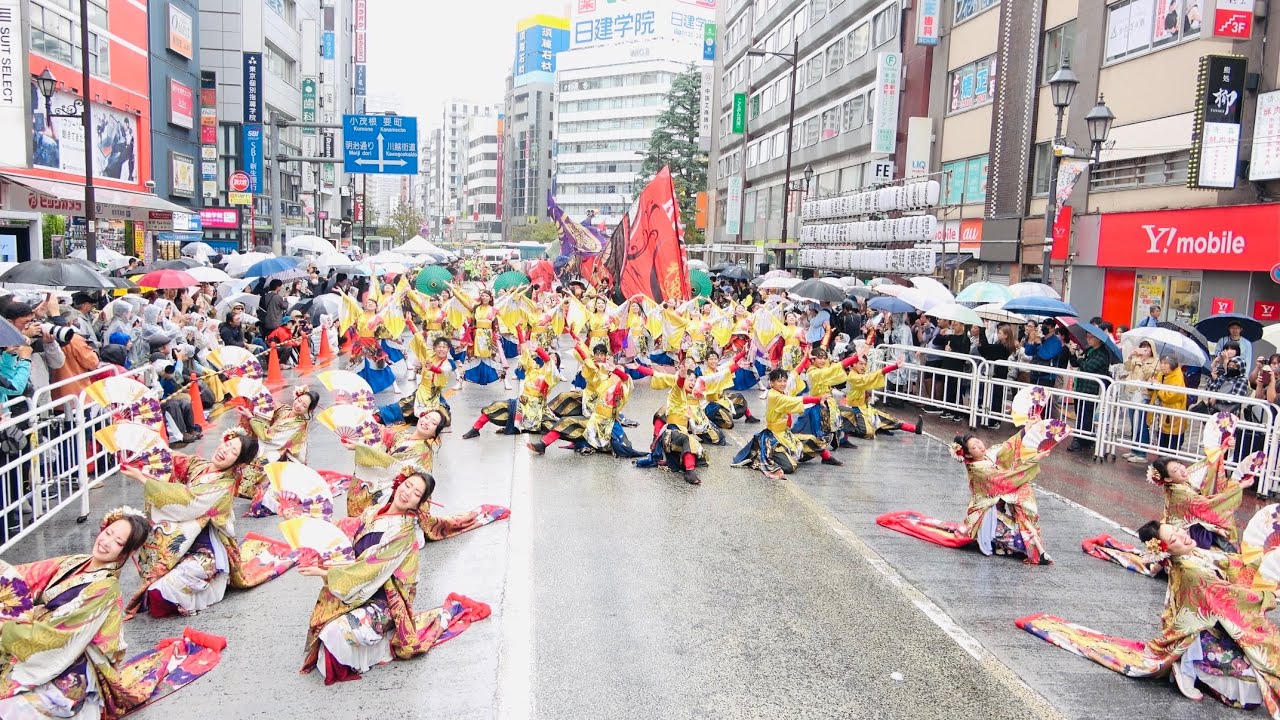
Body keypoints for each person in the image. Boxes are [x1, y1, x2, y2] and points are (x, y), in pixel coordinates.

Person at [1019, 520, 1280, 712]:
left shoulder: (1193, 554)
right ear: (1165, 550)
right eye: (1175, 539)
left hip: (1212, 624)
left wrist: (1262, 563)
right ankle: (1191, 669)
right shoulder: (1190, 569)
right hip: (1198, 634)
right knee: (1250, 691)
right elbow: (1231, 599)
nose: (1183, 537)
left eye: (1179, 531)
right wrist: (1268, 594)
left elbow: (1232, 564)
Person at [0, 508, 226, 719]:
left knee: (13, 708)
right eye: (108, 534)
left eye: (118, 542)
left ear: (125, 552)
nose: (106, 543)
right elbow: (25, 576)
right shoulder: (75, 562)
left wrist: (9, 627)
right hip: (36, 637)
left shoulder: (105, 588)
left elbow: (60, 636)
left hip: (70, 659)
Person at [298, 469, 491, 684]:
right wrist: (312, 522)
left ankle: (385, 641)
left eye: (417, 494)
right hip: (359, 584)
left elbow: (370, 568)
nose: (408, 493)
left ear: (420, 503)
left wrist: (324, 572)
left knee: (335, 633)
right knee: (325, 628)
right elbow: (347, 529)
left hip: (384, 596)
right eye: (408, 485)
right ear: (399, 483)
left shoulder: (404, 532)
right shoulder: (375, 510)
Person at [120, 428, 298, 617]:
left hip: (205, 548)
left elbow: (188, 501)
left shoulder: (223, 485)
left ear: (237, 463)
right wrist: (146, 451)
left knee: (162, 592)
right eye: (227, 445)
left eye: (233, 452)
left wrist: (143, 479)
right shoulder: (200, 465)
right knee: (157, 592)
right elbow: (172, 459)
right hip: (182, 537)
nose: (225, 450)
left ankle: (207, 587)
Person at [731, 368, 840, 480]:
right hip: (773, 438)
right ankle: (761, 456)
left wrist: (806, 359)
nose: (783, 384)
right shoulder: (774, 396)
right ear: (771, 383)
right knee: (790, 467)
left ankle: (825, 457)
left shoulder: (783, 391)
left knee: (815, 443)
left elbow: (794, 374)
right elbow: (795, 400)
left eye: (784, 381)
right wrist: (817, 399)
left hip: (786, 434)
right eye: (779, 381)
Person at [341, 409, 450, 517]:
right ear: (420, 417)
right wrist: (361, 424)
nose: (427, 422)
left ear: (436, 432)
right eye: (426, 417)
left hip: (396, 490)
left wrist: (360, 448)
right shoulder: (405, 435)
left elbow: (393, 465)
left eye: (433, 423)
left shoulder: (422, 452)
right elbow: (384, 433)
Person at [1065, 333, 1111, 453]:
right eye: (1087, 337)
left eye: (1091, 337)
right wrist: (1072, 353)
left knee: (1086, 415)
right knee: (1080, 414)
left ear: (1098, 339)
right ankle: (1086, 439)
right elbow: (1076, 363)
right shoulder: (1089, 350)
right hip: (1080, 387)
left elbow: (1088, 367)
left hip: (1091, 389)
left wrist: (1080, 359)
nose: (1088, 339)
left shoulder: (1102, 354)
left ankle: (1080, 440)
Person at [1119, 339, 1158, 463]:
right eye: (1143, 346)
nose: (1145, 349)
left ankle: (1142, 453)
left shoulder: (1155, 362)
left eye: (1148, 347)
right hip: (1132, 392)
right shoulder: (1136, 358)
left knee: (1141, 424)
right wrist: (1131, 356)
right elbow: (1127, 367)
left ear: (1152, 349)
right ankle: (1134, 449)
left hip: (1144, 394)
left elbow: (1148, 375)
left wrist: (1141, 361)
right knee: (1133, 422)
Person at [1149, 356, 1188, 454]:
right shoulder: (1160, 374)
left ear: (1173, 365)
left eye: (1166, 363)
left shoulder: (1178, 378)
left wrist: (1159, 387)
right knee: (1161, 443)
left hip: (1173, 415)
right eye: (1161, 363)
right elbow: (1153, 393)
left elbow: (1171, 396)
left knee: (1171, 445)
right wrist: (1151, 385)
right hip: (1161, 415)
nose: (1162, 366)